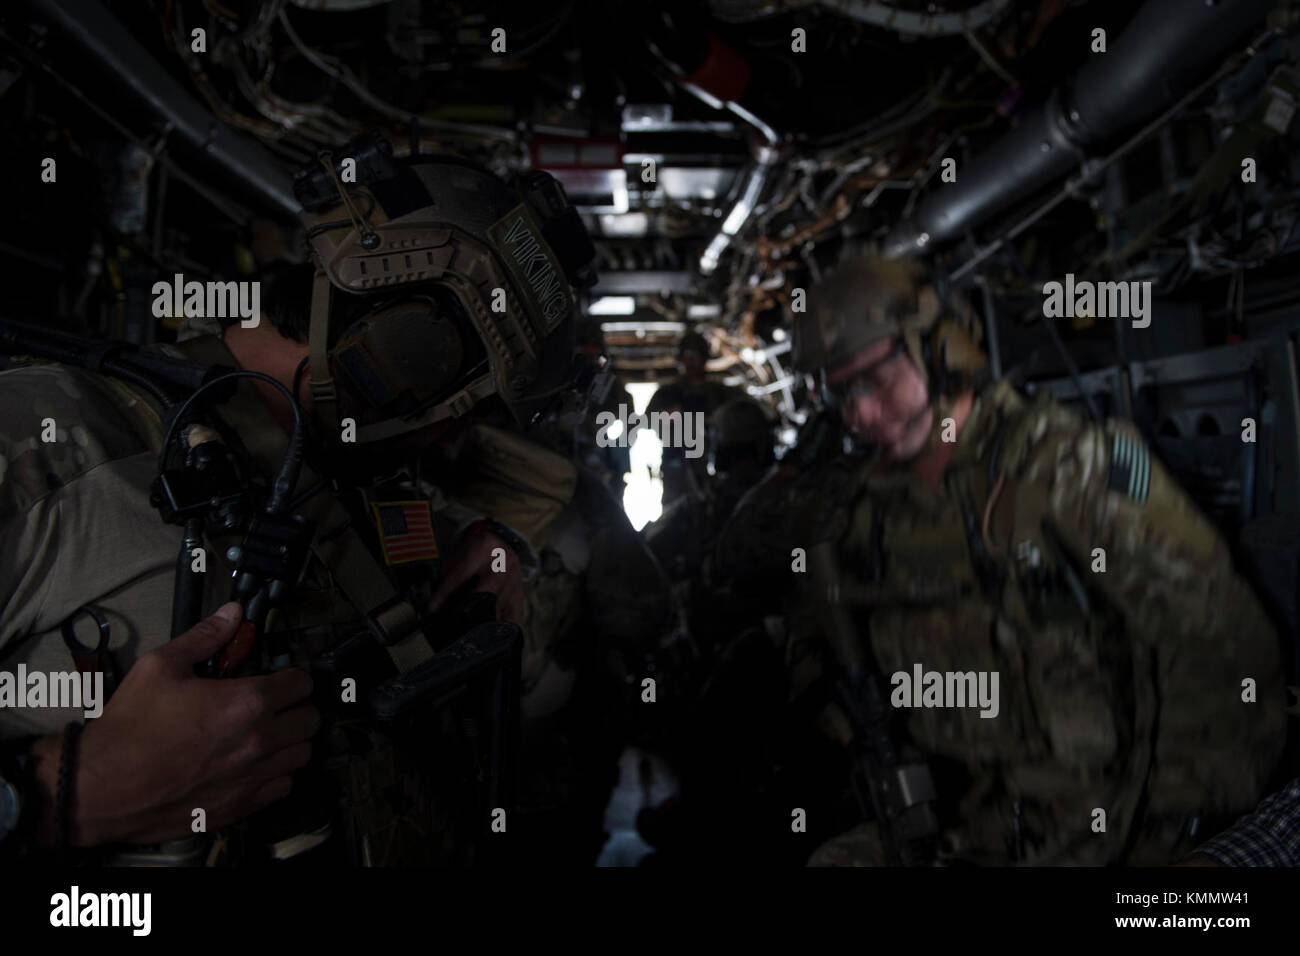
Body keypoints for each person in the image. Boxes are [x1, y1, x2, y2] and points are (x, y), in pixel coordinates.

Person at [0, 139, 596, 865]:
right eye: (460, 416)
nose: (450, 449)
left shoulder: (333, 483)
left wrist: (490, 538)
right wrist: (63, 797)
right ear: (400, 351)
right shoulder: (57, 442)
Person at [720, 252, 1288, 865]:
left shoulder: (1070, 469)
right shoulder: (872, 507)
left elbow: (1224, 656)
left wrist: (1169, 840)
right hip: (966, 818)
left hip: (1098, 830)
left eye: (873, 380)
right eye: (840, 394)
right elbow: (798, 602)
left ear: (939, 349)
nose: (859, 414)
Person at [646, 330, 741, 509]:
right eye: (686, 356)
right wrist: (668, 415)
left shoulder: (721, 393)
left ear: (704, 359)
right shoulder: (667, 394)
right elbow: (646, 421)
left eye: (694, 356)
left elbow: (742, 417)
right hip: (677, 467)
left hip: (714, 466)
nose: (690, 362)